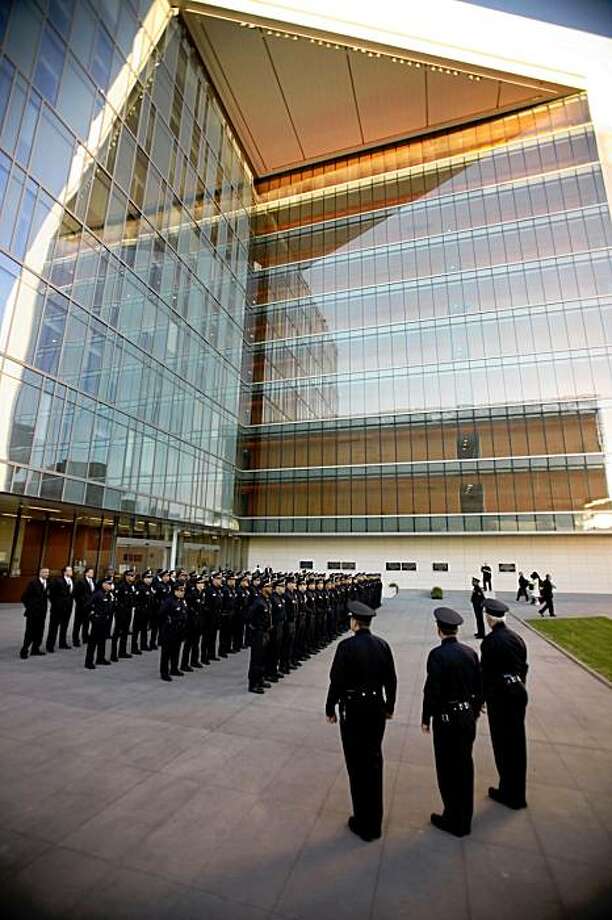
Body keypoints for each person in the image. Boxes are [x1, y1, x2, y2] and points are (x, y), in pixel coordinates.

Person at [326, 600, 396, 842]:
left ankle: (362, 821)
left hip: (353, 709)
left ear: (354, 622)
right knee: (374, 761)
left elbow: (336, 680)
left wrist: (329, 707)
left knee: (356, 764)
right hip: (376, 708)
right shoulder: (382, 645)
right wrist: (390, 706)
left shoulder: (346, 647)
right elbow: (391, 680)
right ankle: (374, 820)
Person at [421, 607, 482, 837]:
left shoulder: (437, 656)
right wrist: (474, 711)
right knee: (465, 766)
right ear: (456, 629)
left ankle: (452, 817)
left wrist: (426, 717)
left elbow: (432, 691)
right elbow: (479, 687)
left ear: (439, 630)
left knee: (447, 769)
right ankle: (464, 817)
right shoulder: (470, 653)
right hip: (467, 716)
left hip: (447, 719)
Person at [480, 598, 529, 810]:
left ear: (489, 619)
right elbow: (523, 667)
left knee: (502, 744)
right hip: (518, 691)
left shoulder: (490, 642)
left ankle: (508, 792)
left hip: (500, 696)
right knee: (517, 744)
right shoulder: (517, 638)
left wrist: (480, 699)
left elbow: (486, 673)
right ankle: (517, 792)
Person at [159, 583, 188, 681]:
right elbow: (161, 614)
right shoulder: (169, 601)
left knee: (176, 651)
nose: (182, 592)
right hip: (169, 631)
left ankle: (174, 668)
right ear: (175, 591)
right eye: (180, 590)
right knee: (166, 653)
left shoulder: (182, 601)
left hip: (179, 630)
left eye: (183, 590)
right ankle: (164, 672)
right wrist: (168, 623)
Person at [247, 579, 272, 693]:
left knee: (263, 658)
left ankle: (260, 679)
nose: (270, 588)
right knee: (256, 659)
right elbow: (249, 617)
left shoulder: (266, 601)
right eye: (268, 586)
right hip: (258, 633)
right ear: (262, 589)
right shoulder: (258, 602)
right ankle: (253, 684)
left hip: (265, 633)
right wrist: (255, 629)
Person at [84, 576, 115, 669]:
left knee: (102, 641)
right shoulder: (98, 594)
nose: (110, 586)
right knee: (93, 642)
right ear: (103, 584)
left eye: (111, 584)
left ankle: (100, 658)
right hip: (97, 621)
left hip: (105, 620)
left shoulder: (108, 594)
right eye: (108, 584)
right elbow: (87, 605)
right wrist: (93, 616)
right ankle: (88, 661)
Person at [19, 567, 49, 659]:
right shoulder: (33, 583)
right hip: (33, 613)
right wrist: (30, 607)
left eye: (48, 572)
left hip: (42, 613)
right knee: (30, 632)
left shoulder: (47, 583)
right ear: (40, 573)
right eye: (45, 572)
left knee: (39, 631)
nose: (47, 574)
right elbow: (24, 597)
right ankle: (24, 650)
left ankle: (35, 649)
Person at [46, 565, 75, 652]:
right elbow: (51, 594)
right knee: (53, 627)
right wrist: (56, 604)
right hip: (57, 608)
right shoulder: (57, 581)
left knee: (64, 626)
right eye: (69, 570)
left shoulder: (72, 581)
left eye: (71, 570)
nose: (71, 572)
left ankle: (63, 643)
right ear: (65, 572)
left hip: (68, 608)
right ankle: (50, 645)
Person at [111, 569, 137, 661]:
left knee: (125, 632)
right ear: (126, 576)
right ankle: (113, 654)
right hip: (120, 611)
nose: (132, 577)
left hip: (128, 611)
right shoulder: (121, 586)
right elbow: (116, 599)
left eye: (133, 575)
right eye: (130, 575)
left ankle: (122, 651)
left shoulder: (132, 586)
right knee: (117, 632)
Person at [72, 567, 96, 647]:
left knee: (86, 623)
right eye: (90, 572)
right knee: (77, 624)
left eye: (93, 572)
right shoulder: (81, 582)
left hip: (89, 607)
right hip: (81, 606)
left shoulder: (93, 582)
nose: (92, 573)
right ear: (86, 573)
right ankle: (75, 640)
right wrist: (81, 602)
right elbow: (76, 594)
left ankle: (85, 637)